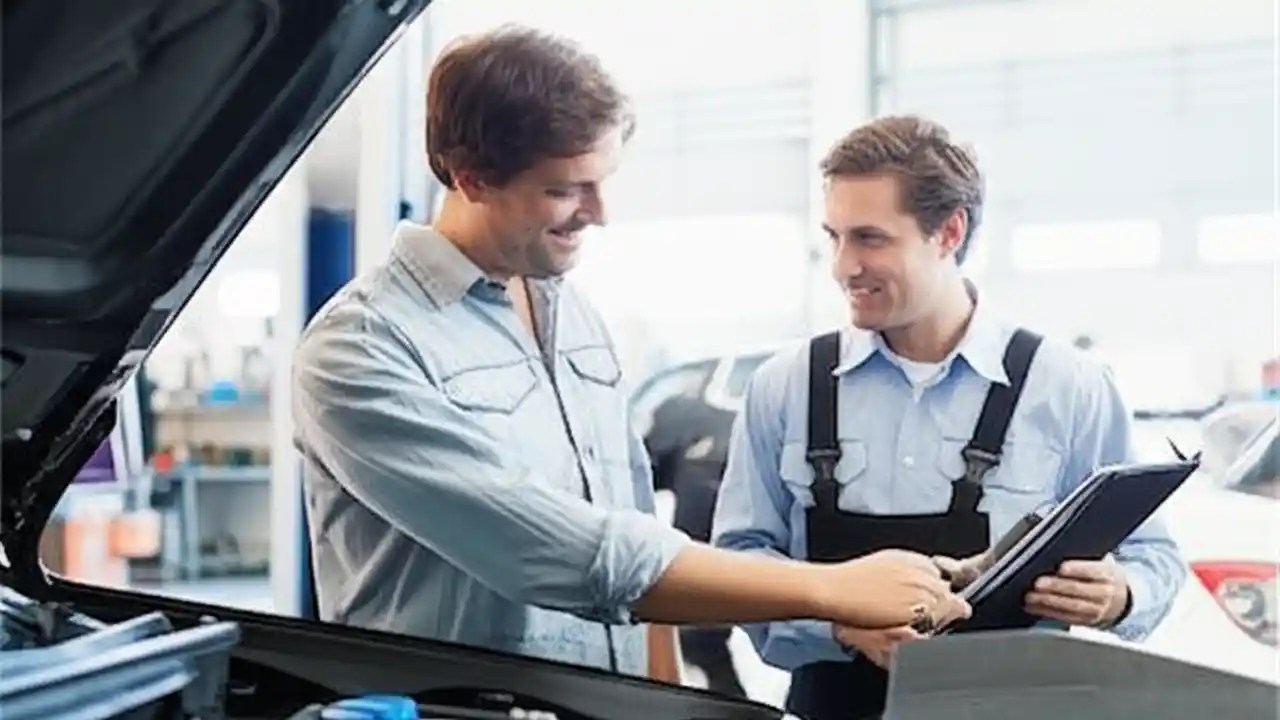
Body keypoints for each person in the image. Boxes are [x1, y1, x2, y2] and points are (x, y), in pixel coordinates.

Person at [290, 27, 969, 684]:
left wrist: (660, 702)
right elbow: (566, 555)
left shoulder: (572, 314)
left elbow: (636, 530)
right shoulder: (363, 349)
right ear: (471, 178)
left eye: (604, 179)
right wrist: (830, 589)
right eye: (566, 188)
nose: (601, 212)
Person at [711, 115, 1186, 719]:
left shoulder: (1068, 386)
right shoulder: (784, 388)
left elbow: (1156, 558)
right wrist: (840, 625)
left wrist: (1121, 595)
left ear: (949, 231)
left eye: (869, 238)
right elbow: (736, 562)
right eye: (833, 237)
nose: (842, 266)